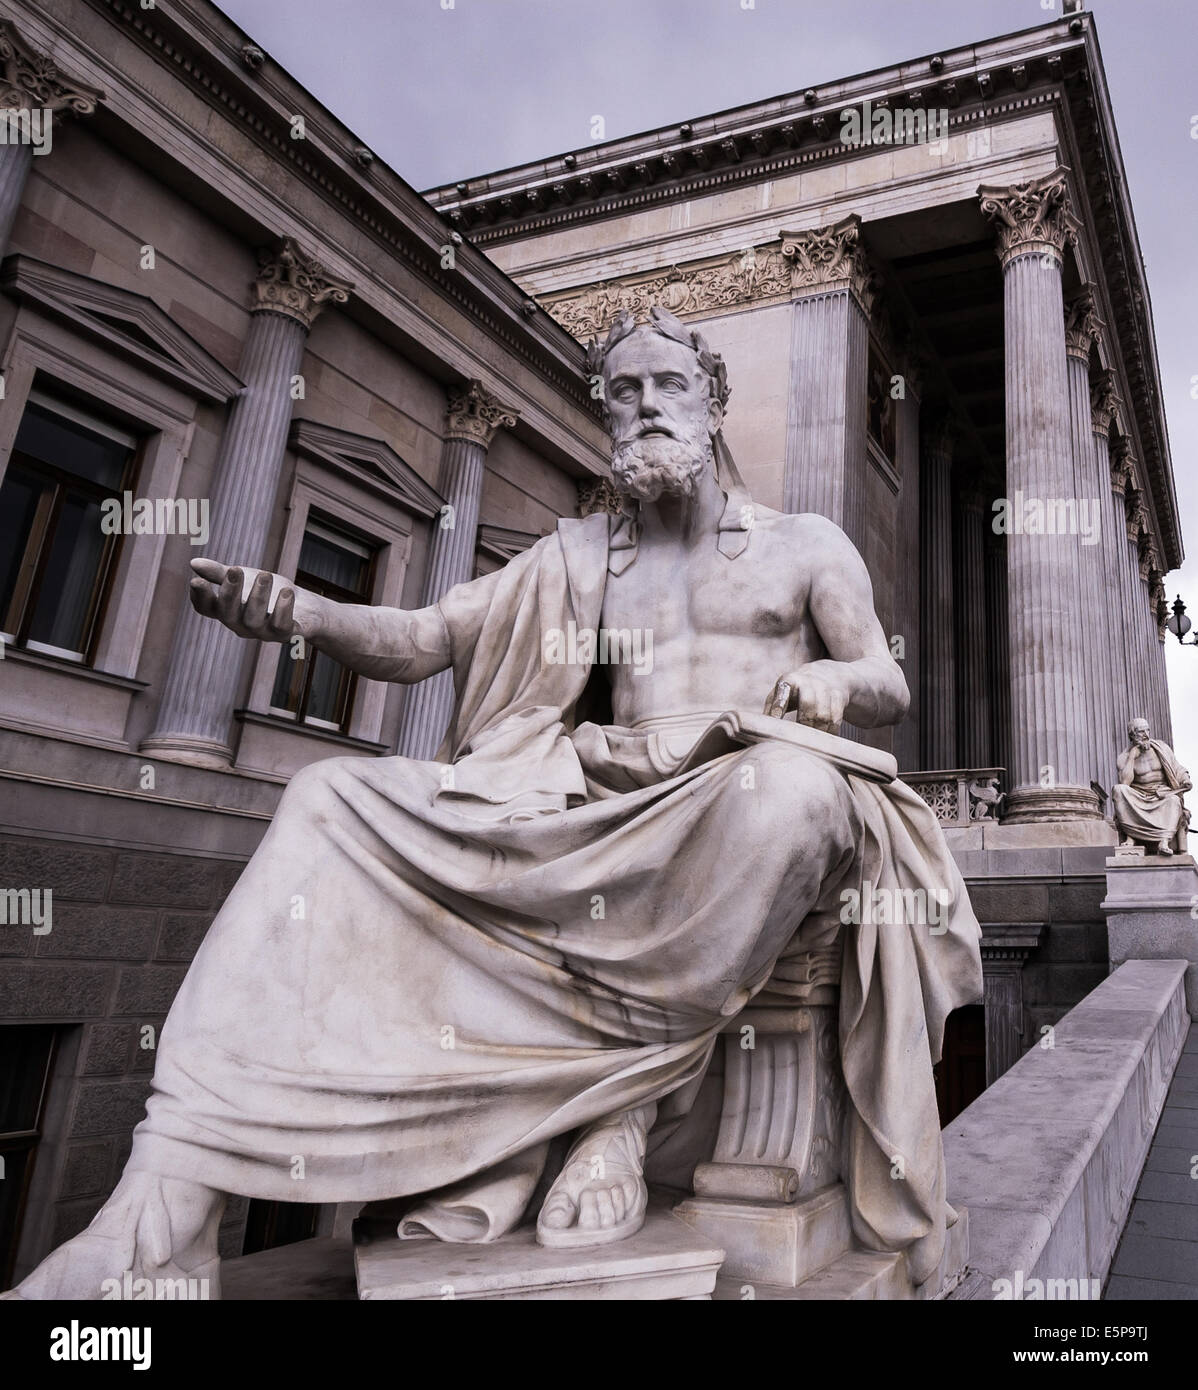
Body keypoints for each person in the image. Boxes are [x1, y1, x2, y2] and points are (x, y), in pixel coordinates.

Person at [6, 307, 981, 1299]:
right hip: (598, 790)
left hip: (745, 777)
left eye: (667, 387)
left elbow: (882, 681)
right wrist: (300, 611)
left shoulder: (804, 545)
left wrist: (831, 687)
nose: (644, 407)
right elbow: (426, 634)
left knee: (791, 795)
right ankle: (162, 1206)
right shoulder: (582, 556)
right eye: (623, 392)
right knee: (329, 791)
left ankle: (622, 1111)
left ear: (714, 403)